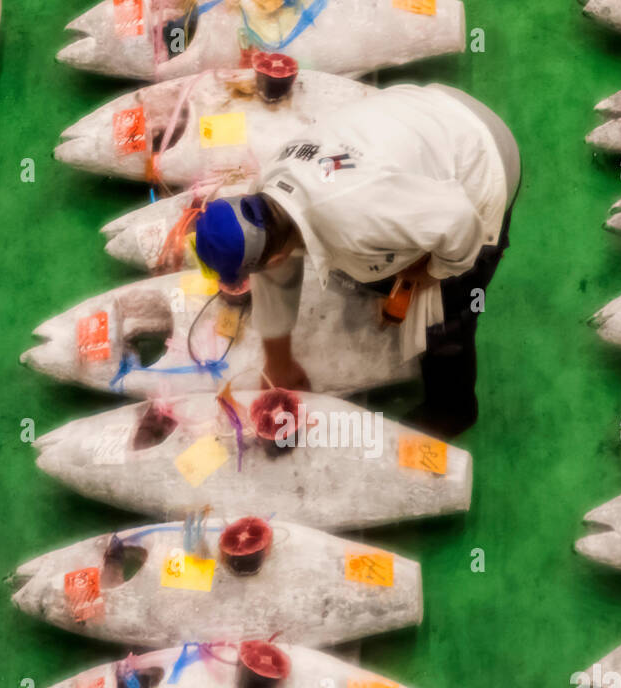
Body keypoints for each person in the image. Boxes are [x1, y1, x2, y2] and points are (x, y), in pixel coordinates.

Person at [192, 83, 520, 438]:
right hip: (431, 109)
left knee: (444, 314)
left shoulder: (355, 220)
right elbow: (276, 273)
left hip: (483, 157)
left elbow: (459, 220)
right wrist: (279, 363)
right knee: (373, 258)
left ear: (272, 257)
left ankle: (453, 411)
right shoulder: (267, 192)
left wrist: (430, 274)